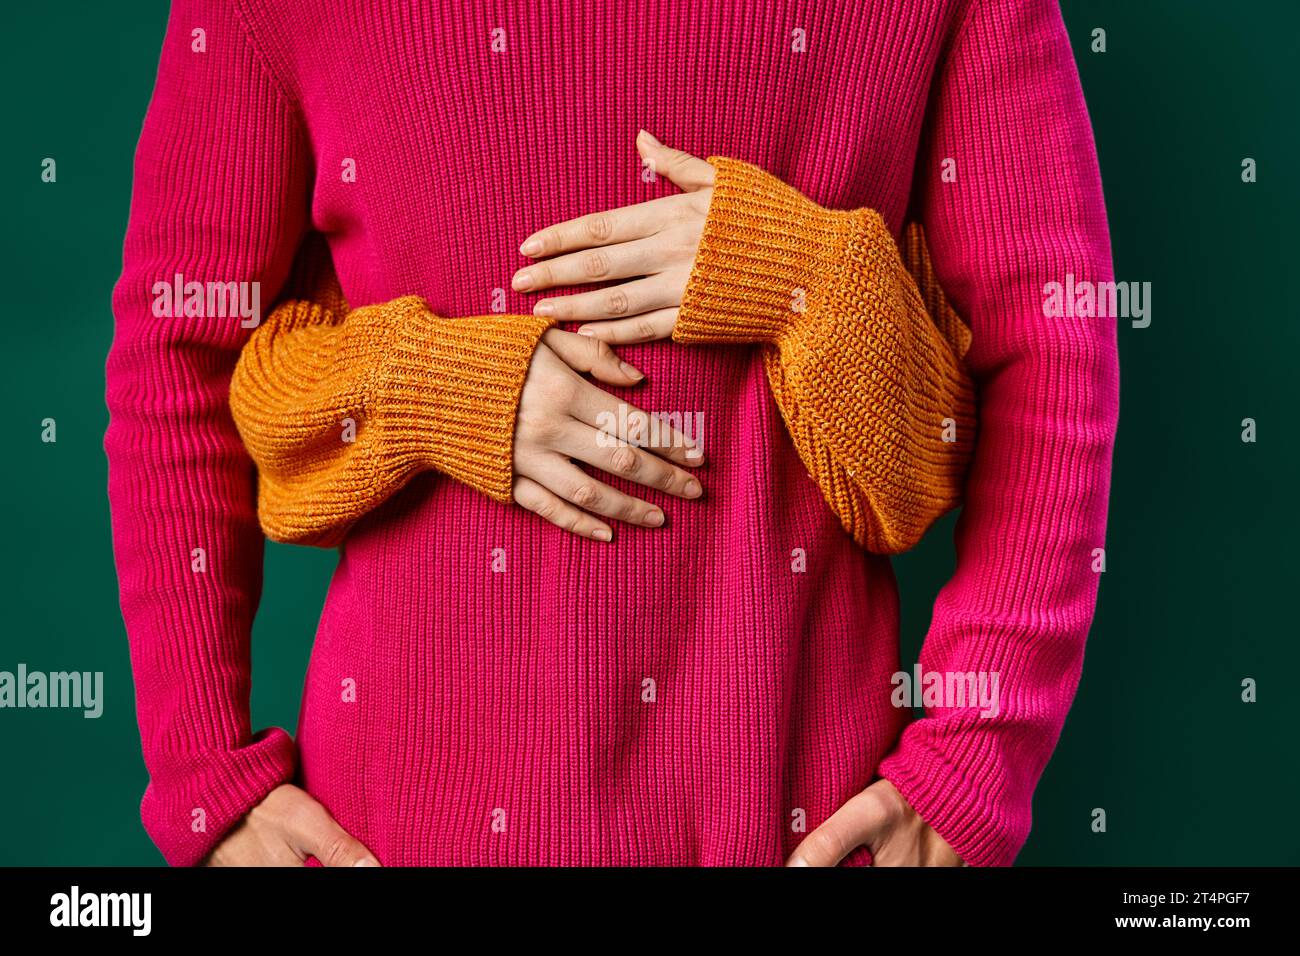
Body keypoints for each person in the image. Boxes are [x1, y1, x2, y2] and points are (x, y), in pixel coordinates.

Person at [107, 0, 1118, 867]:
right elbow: (179, 349)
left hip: (802, 814)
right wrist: (206, 775)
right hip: (399, 820)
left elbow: (1052, 345)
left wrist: (974, 757)